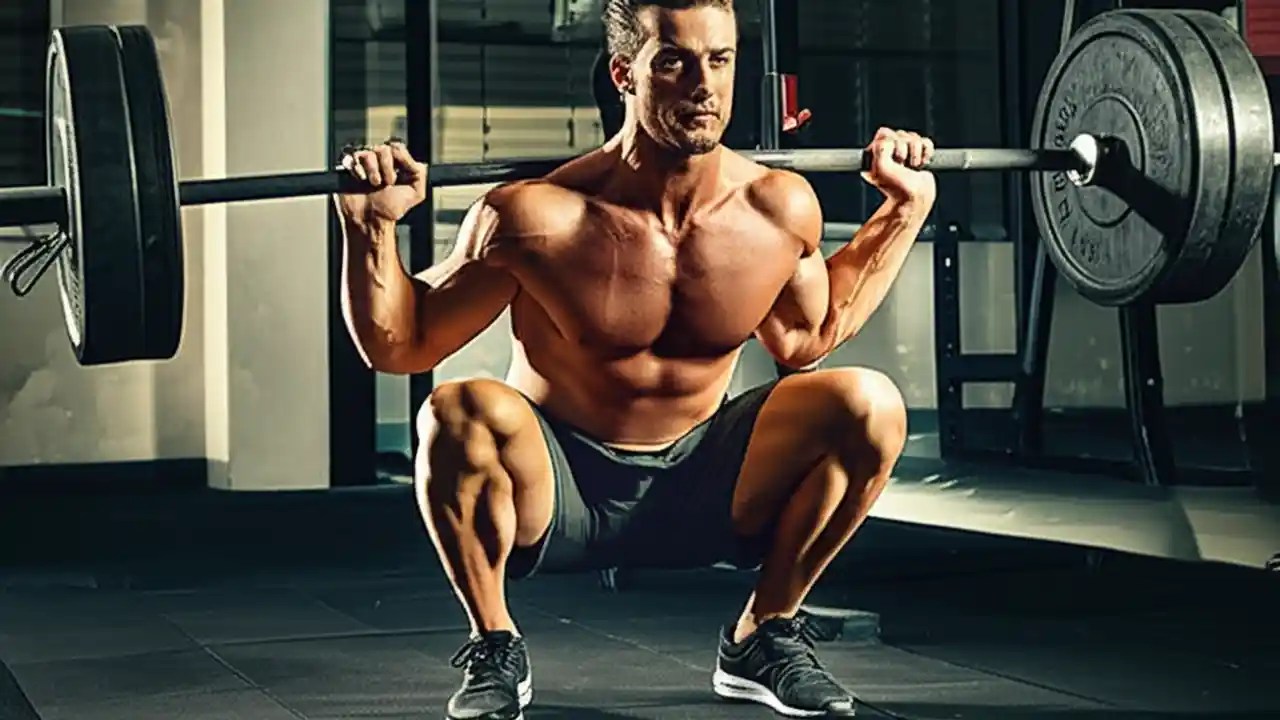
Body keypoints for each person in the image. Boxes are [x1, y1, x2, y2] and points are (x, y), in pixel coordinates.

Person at [335, 1, 935, 717]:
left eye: (720, 61)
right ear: (626, 73)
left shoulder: (776, 210)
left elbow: (805, 338)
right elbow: (401, 345)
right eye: (675, 61)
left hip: (706, 481)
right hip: (558, 491)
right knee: (456, 412)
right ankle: (495, 643)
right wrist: (370, 231)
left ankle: (763, 633)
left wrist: (904, 212)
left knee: (868, 405)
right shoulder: (535, 217)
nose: (704, 86)